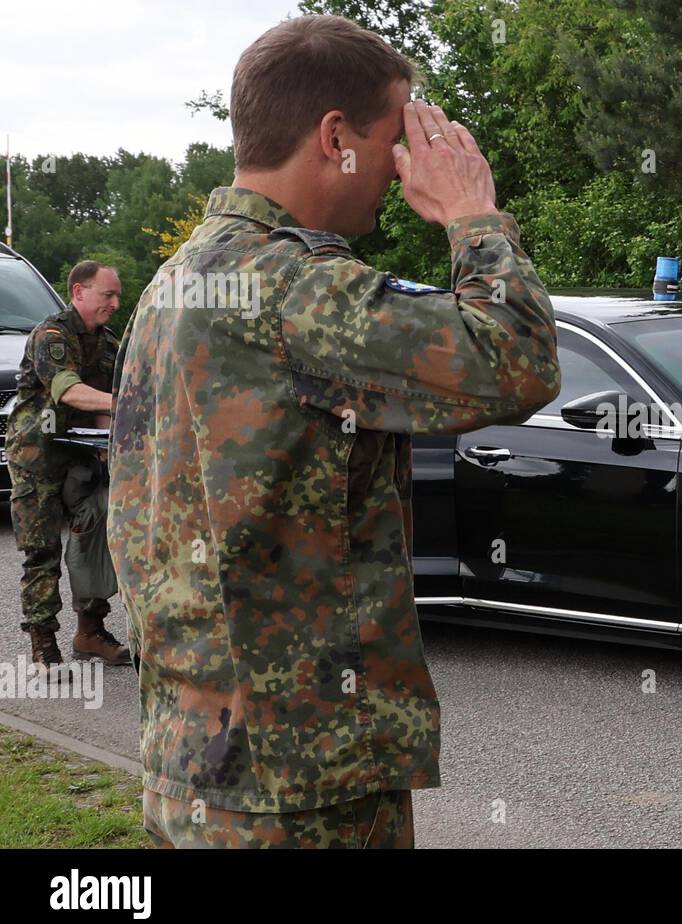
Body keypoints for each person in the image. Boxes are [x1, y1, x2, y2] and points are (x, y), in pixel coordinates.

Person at [108, 15, 560, 848]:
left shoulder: (174, 282)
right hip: (303, 786)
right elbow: (517, 360)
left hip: (196, 758)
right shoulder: (298, 290)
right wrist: (472, 213)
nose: (400, 170)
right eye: (395, 138)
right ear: (334, 136)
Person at [8, 260, 129, 667]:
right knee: (41, 551)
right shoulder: (53, 334)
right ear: (79, 292)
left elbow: (102, 405)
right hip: (36, 456)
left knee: (98, 532)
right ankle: (44, 645)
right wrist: (128, 404)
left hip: (81, 454)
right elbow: (69, 391)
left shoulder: (109, 344)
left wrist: (110, 441)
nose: (115, 302)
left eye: (117, 295)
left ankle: (90, 631)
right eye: (107, 294)